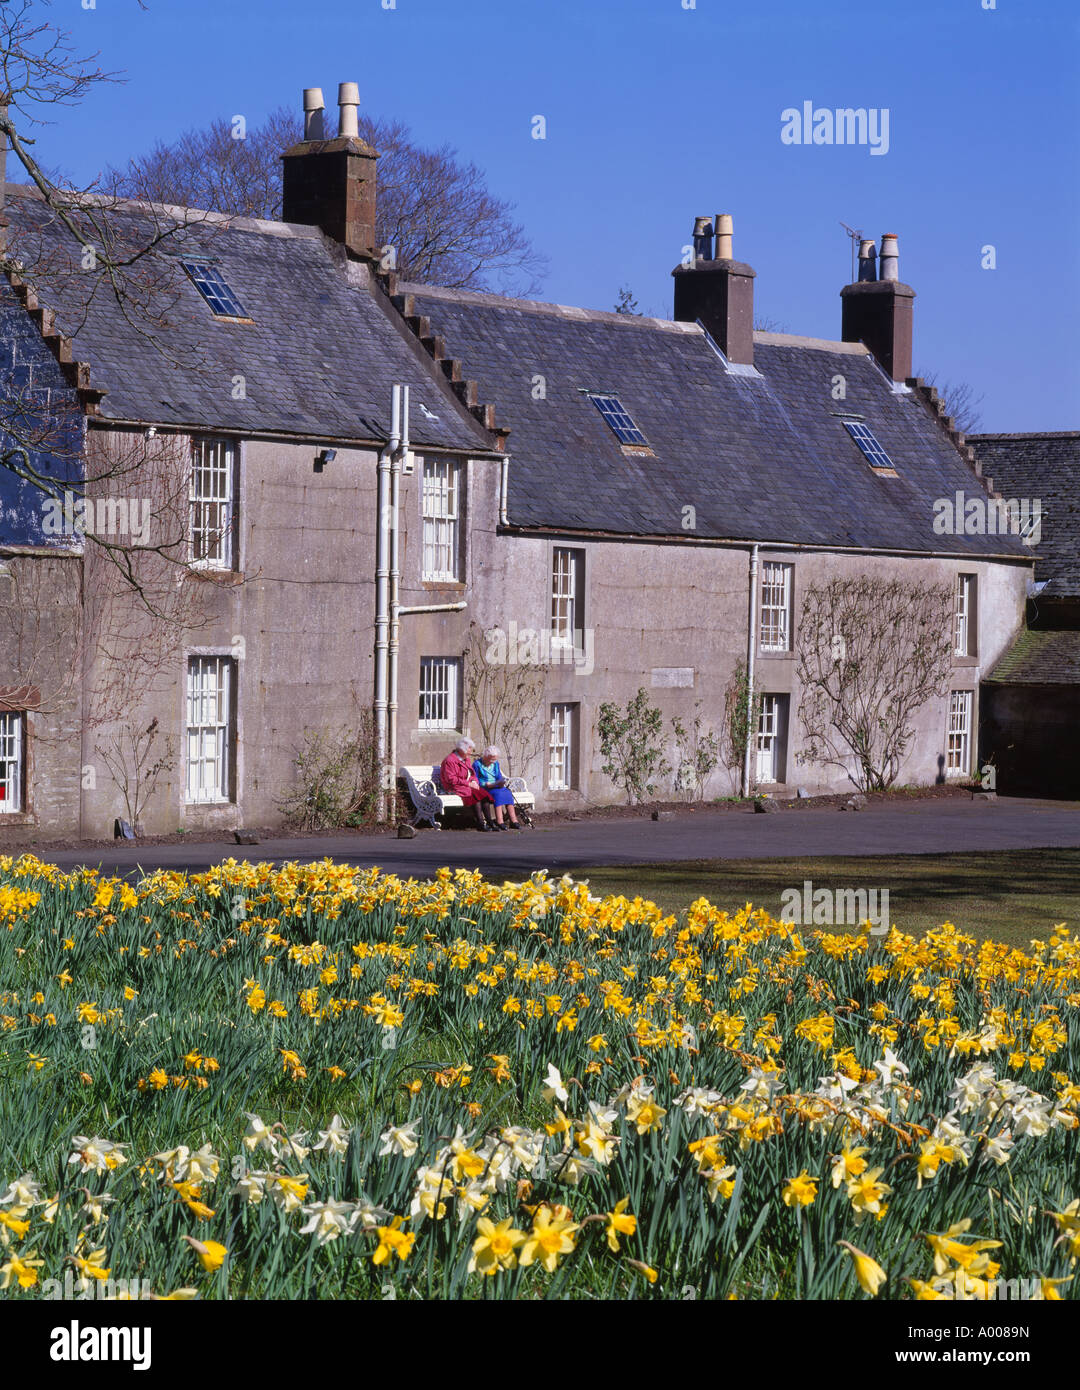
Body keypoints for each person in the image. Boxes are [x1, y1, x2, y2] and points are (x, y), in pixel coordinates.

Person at [439, 738, 496, 830]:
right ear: (462, 749)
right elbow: (451, 779)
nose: (471, 751)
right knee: (475, 795)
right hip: (453, 787)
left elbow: (472, 774)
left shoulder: (466, 759)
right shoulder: (450, 760)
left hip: (464, 785)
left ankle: (490, 822)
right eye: (469, 748)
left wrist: (474, 781)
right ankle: (480, 823)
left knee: (483, 795)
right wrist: (468, 784)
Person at [473, 746, 520, 829]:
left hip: (496, 785)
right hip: (485, 787)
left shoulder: (495, 764)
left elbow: (499, 776)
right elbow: (475, 779)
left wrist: (501, 782)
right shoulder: (477, 764)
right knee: (498, 794)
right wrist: (485, 784)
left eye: (495, 759)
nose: (493, 761)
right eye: (492, 759)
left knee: (507, 792)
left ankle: (513, 820)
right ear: (486, 756)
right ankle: (500, 821)